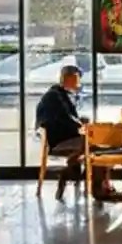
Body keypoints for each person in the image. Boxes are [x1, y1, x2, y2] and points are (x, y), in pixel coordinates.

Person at [34, 65, 90, 200]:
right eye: (77, 79)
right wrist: (82, 126)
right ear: (69, 78)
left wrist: (80, 122)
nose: (79, 83)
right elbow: (65, 118)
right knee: (93, 146)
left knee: (91, 144)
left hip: (61, 137)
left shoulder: (59, 94)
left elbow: (68, 117)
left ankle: (77, 173)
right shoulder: (54, 96)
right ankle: (72, 176)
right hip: (60, 140)